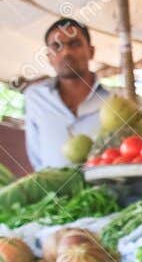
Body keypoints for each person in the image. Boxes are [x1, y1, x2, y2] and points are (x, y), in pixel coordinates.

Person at [24, 18, 111, 169]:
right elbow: (36, 157)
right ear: (49, 57)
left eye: (75, 44)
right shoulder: (35, 98)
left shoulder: (116, 100)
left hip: (109, 191)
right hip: (54, 191)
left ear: (91, 51)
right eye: (56, 46)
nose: (66, 52)